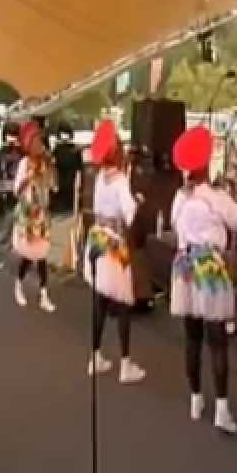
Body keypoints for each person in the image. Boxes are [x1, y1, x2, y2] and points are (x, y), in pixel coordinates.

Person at [168, 125, 237, 434]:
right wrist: (232, 197)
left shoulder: (180, 198)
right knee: (217, 342)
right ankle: (222, 411)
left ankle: (195, 399)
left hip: (185, 267)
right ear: (206, 164)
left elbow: (177, 227)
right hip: (210, 270)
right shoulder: (216, 197)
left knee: (191, 338)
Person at [82, 120, 145, 383]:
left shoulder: (100, 178)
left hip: (97, 240)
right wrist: (138, 200)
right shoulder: (120, 182)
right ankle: (125, 364)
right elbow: (129, 215)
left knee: (100, 301)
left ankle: (95, 356)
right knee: (122, 303)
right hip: (114, 245)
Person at [11, 121, 57, 312]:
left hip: (42, 214)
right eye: (36, 141)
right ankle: (19, 285)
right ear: (28, 145)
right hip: (28, 214)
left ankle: (44, 294)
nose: (40, 144)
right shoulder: (23, 164)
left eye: (41, 140)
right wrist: (28, 177)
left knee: (43, 255)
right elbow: (16, 190)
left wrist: (50, 175)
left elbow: (53, 185)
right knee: (28, 256)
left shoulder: (46, 162)